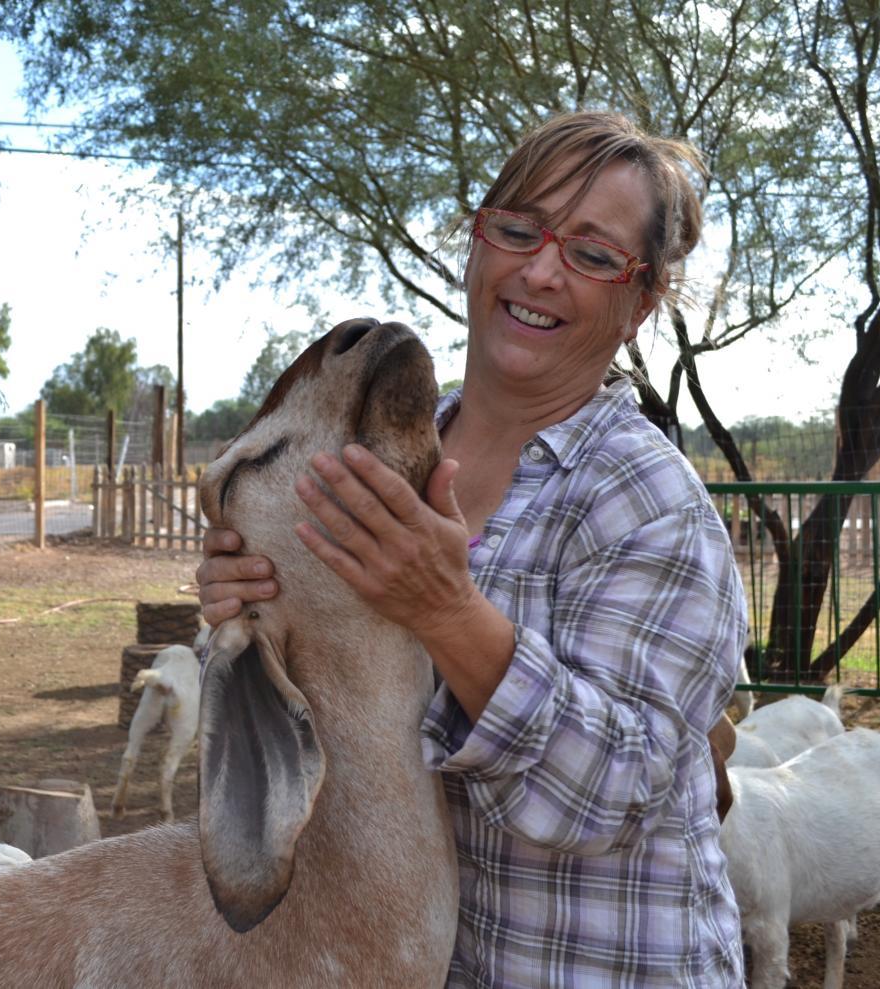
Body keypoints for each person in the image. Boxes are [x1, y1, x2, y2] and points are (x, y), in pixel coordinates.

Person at [197, 111, 745, 987]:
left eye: (593, 254)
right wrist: (251, 595)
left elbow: (610, 791)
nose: (540, 270)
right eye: (519, 229)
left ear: (641, 303)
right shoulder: (382, 448)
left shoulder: (651, 503)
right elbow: (331, 702)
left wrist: (444, 609)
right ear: (477, 240)